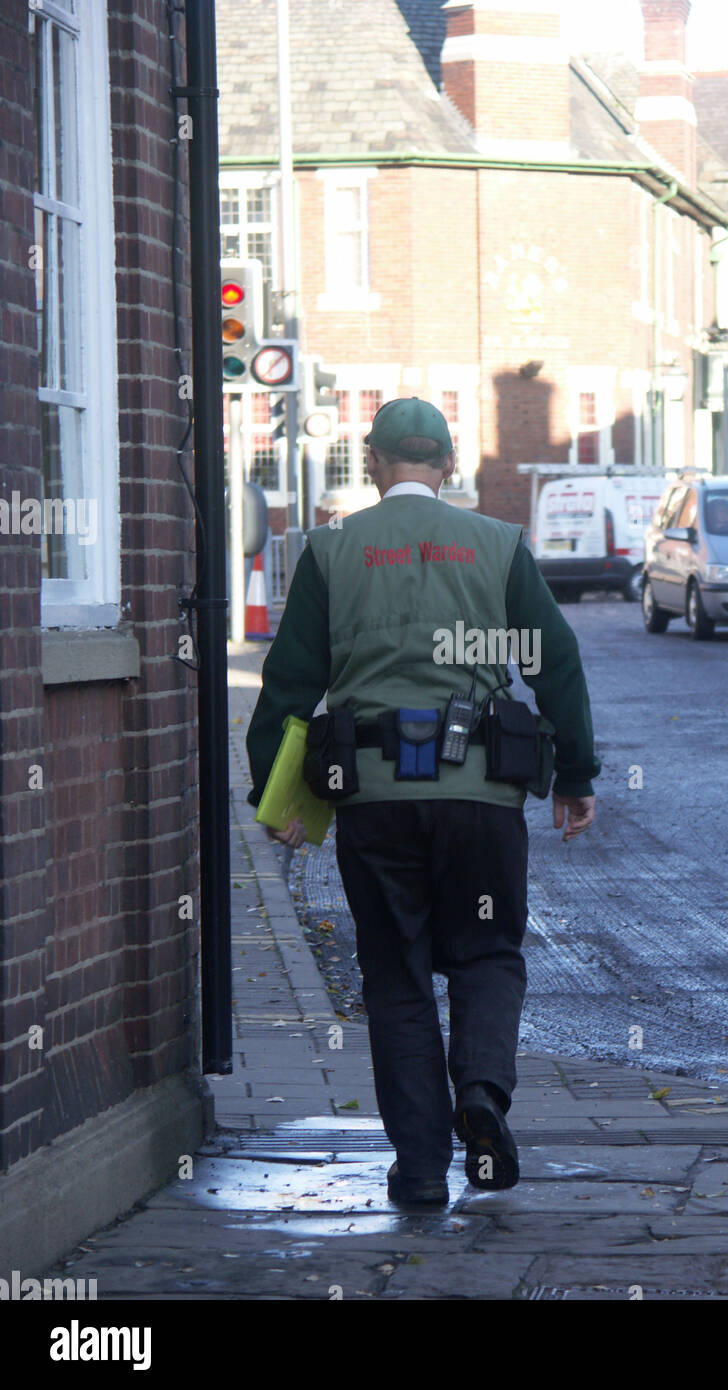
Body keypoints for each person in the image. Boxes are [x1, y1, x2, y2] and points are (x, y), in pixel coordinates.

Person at [246, 396, 600, 1206]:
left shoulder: (331, 551)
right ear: (447, 465)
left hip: (372, 801)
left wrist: (278, 799)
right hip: (480, 798)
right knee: (485, 954)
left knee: (395, 976)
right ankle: (481, 1094)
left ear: (372, 464)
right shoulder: (498, 545)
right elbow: (558, 664)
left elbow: (288, 690)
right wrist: (575, 777)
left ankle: (417, 1170)